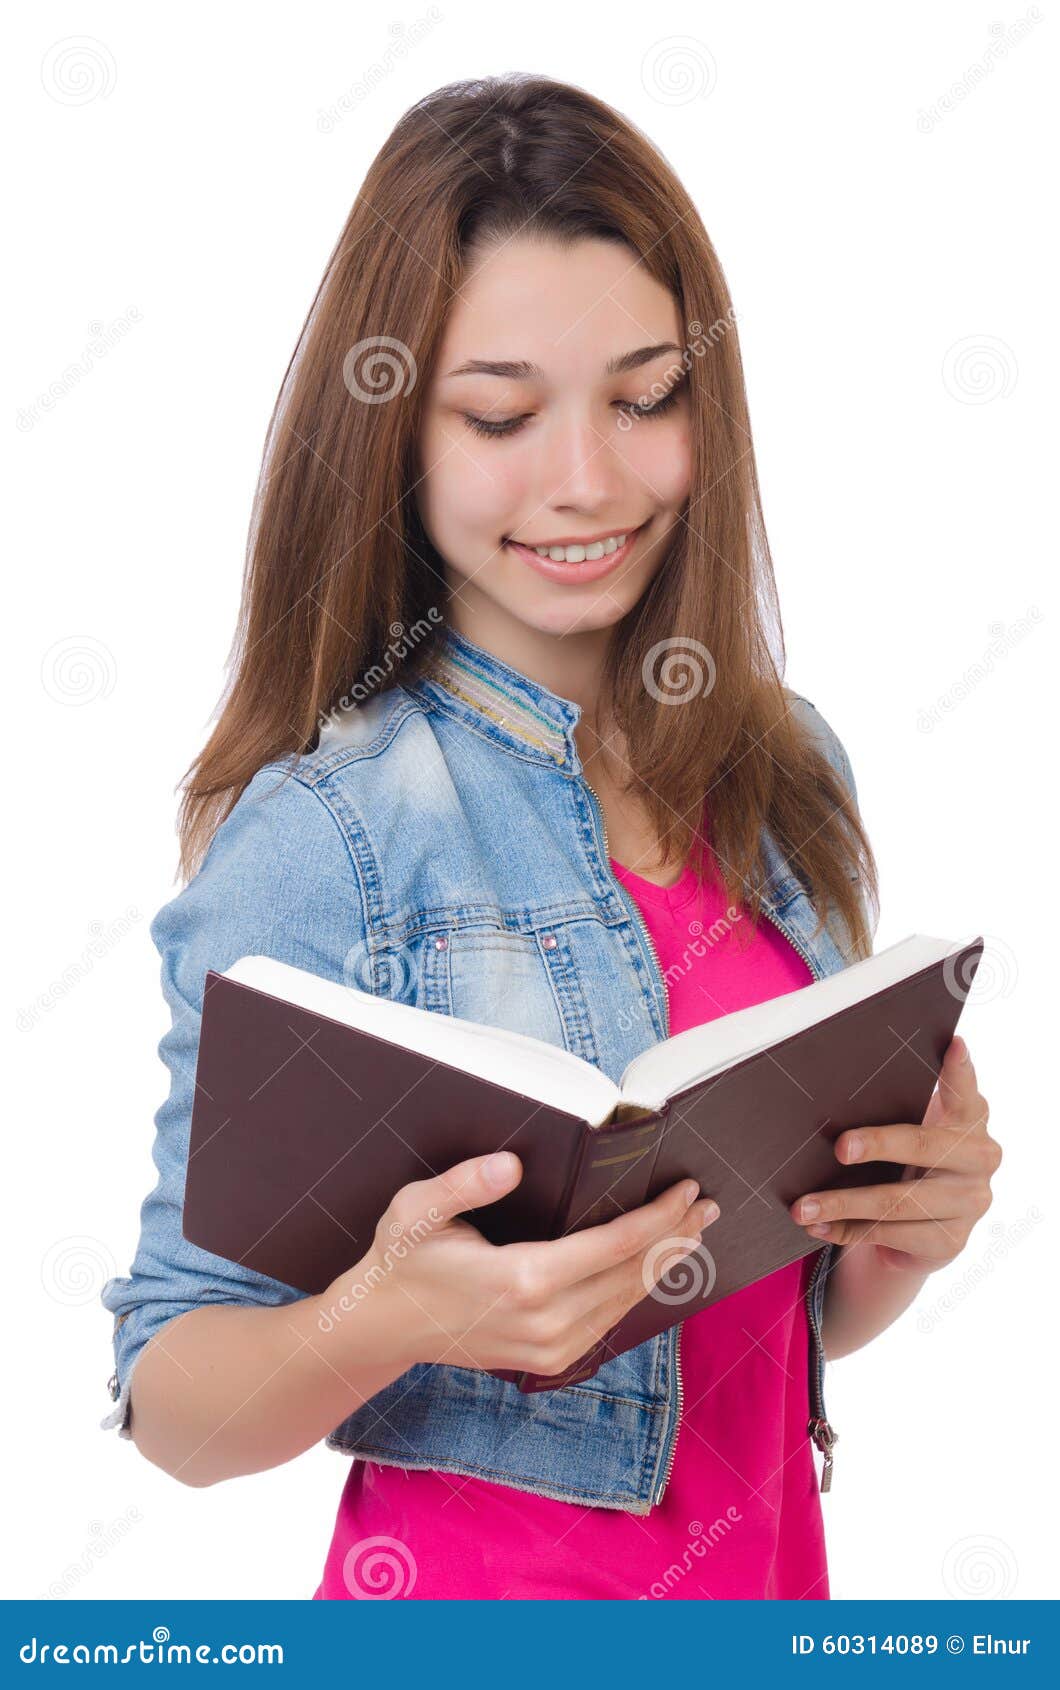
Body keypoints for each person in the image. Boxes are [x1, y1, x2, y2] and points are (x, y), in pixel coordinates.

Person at [100, 74, 1000, 1600]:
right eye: (502, 414)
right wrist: (388, 1315)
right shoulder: (330, 834)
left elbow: (755, 1319)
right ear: (393, 428)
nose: (588, 478)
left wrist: (905, 1233)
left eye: (648, 396)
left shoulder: (786, 770)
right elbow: (170, 1397)